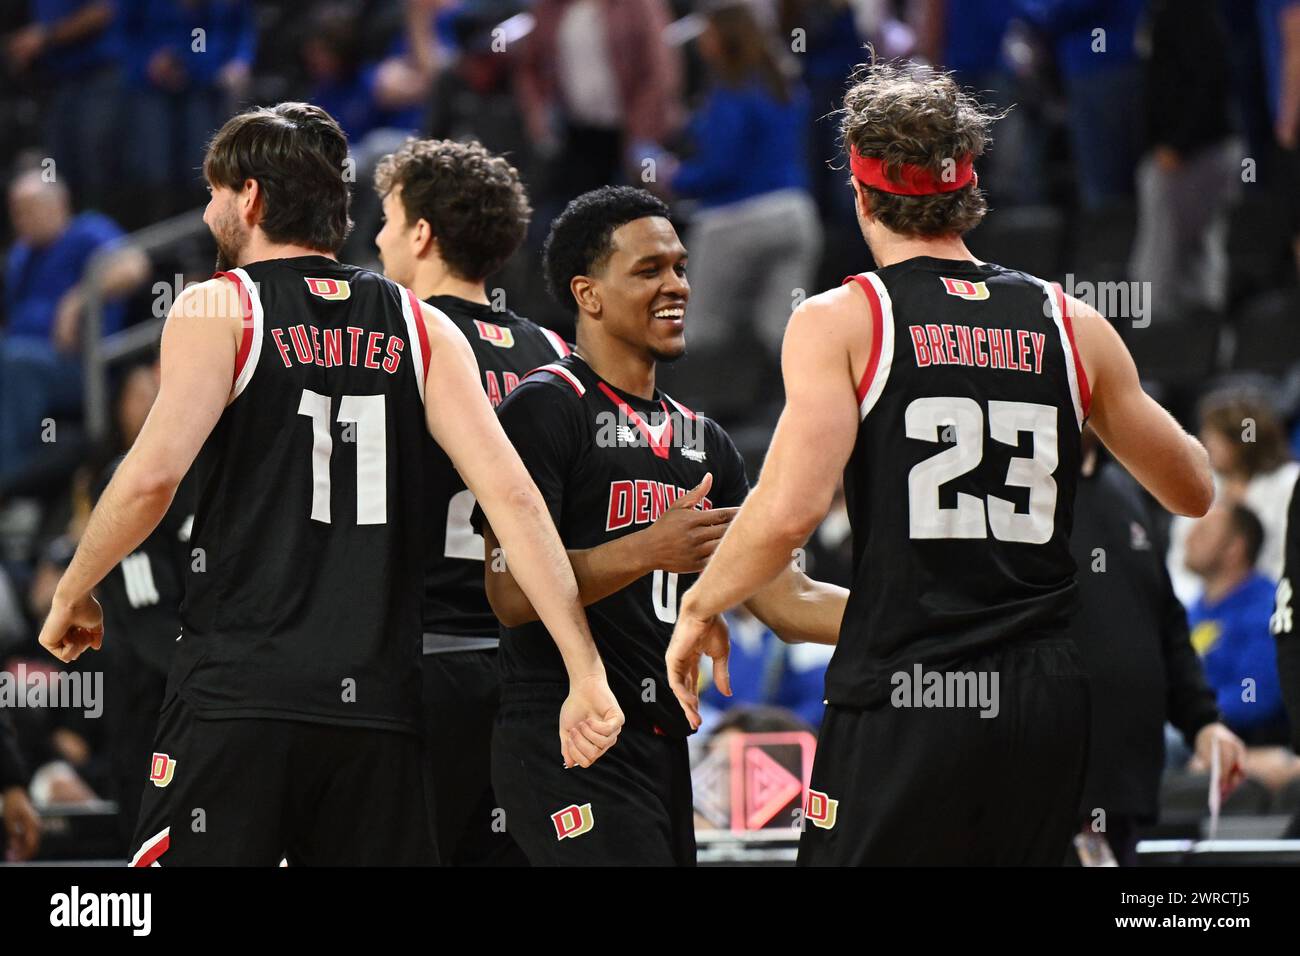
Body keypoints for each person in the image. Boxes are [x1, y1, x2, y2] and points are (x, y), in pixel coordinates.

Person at [36, 102, 621, 866]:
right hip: (378, 706)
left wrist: (74, 588)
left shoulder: (221, 306)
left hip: (239, 697)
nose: (208, 210)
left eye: (214, 193)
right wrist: (585, 669)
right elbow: (516, 502)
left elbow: (150, 479)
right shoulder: (421, 325)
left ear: (248, 197)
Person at [666, 61, 1214, 866]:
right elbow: (1193, 488)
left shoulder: (842, 319)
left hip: (909, 693)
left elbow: (788, 512)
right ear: (970, 189)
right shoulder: (1071, 322)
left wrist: (699, 605)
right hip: (1045, 700)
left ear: (858, 193)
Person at [478, 186, 847, 865]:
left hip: (663, 743)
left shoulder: (704, 441)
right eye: (649, 271)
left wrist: (918, 620)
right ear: (588, 294)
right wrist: (647, 550)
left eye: (679, 267)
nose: (675, 285)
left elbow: (786, 601)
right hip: (569, 738)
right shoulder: (546, 407)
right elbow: (508, 594)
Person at [373, 137, 568, 865]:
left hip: (414, 665)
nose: (378, 237)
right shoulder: (553, 354)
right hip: (524, 669)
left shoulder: (392, 340)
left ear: (422, 234)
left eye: (389, 220)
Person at [1069, 427, 1244, 866]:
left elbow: (1166, 621)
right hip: (1047, 782)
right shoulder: (1018, 495)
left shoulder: (1126, 489)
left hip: (1124, 782)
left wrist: (1203, 721)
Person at [1, 171, 148, 484]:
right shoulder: (21, 256)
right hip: (25, 359)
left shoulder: (86, 232)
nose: (20, 220)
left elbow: (134, 265)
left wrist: (76, 300)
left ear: (58, 204)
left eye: (28, 209)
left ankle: (8, 480)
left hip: (79, 364)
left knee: (14, 362)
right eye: (16, 211)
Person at [1184, 504, 1298, 789]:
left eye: (1204, 530)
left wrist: (1192, 716)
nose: (1189, 537)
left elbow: (1257, 698)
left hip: (1249, 735)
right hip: (1197, 729)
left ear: (1234, 548)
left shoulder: (1265, 608)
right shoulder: (1192, 612)